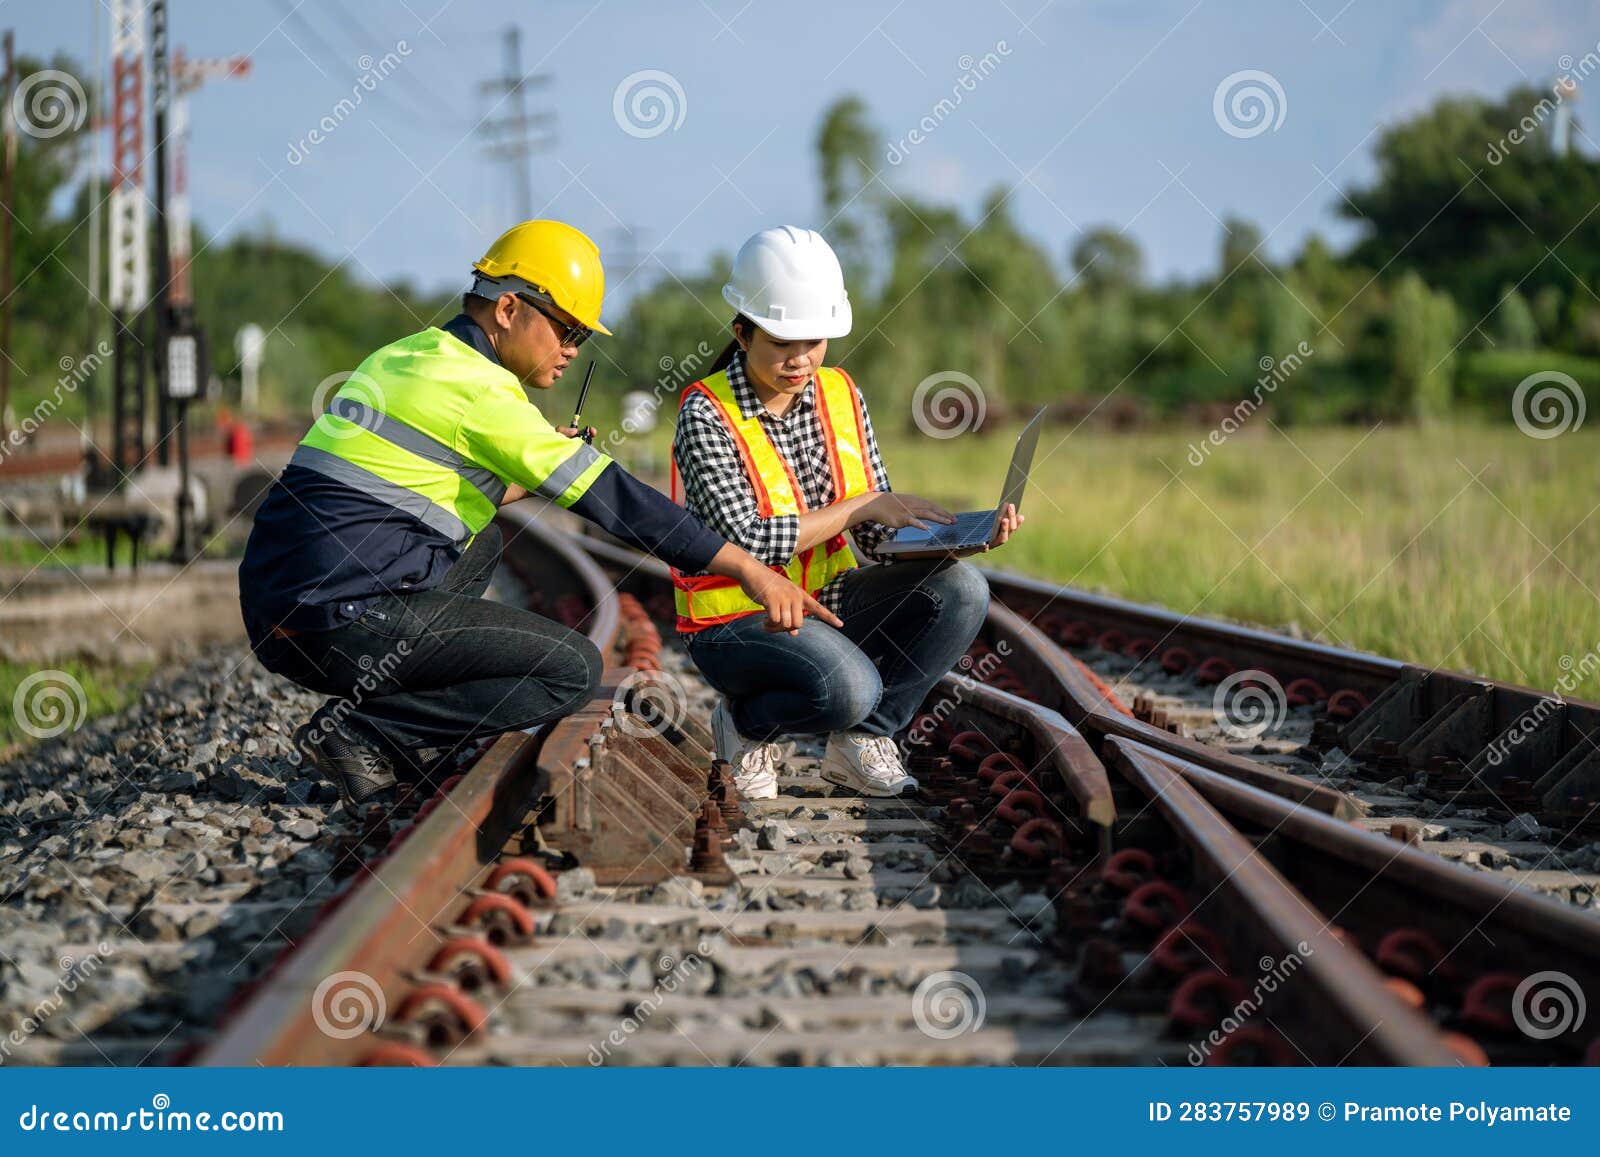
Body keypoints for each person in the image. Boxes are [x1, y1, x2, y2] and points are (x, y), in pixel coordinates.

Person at [238, 220, 839, 811]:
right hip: (337, 621)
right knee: (569, 670)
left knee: (479, 543)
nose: (573, 350)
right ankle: (365, 732)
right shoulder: (483, 392)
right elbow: (620, 503)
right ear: (507, 310)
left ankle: (390, 719)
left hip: (279, 609)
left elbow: (413, 489)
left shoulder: (407, 356)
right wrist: (750, 570)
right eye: (567, 330)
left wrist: (521, 472)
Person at [670, 226, 1022, 800]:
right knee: (849, 689)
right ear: (741, 331)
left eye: (814, 341)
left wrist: (958, 536)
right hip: (736, 623)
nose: (800, 359)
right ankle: (744, 726)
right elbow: (753, 542)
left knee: (962, 589)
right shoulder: (706, 413)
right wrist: (860, 505)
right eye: (783, 343)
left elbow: (875, 532)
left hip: (826, 604)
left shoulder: (841, 395)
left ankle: (861, 744)